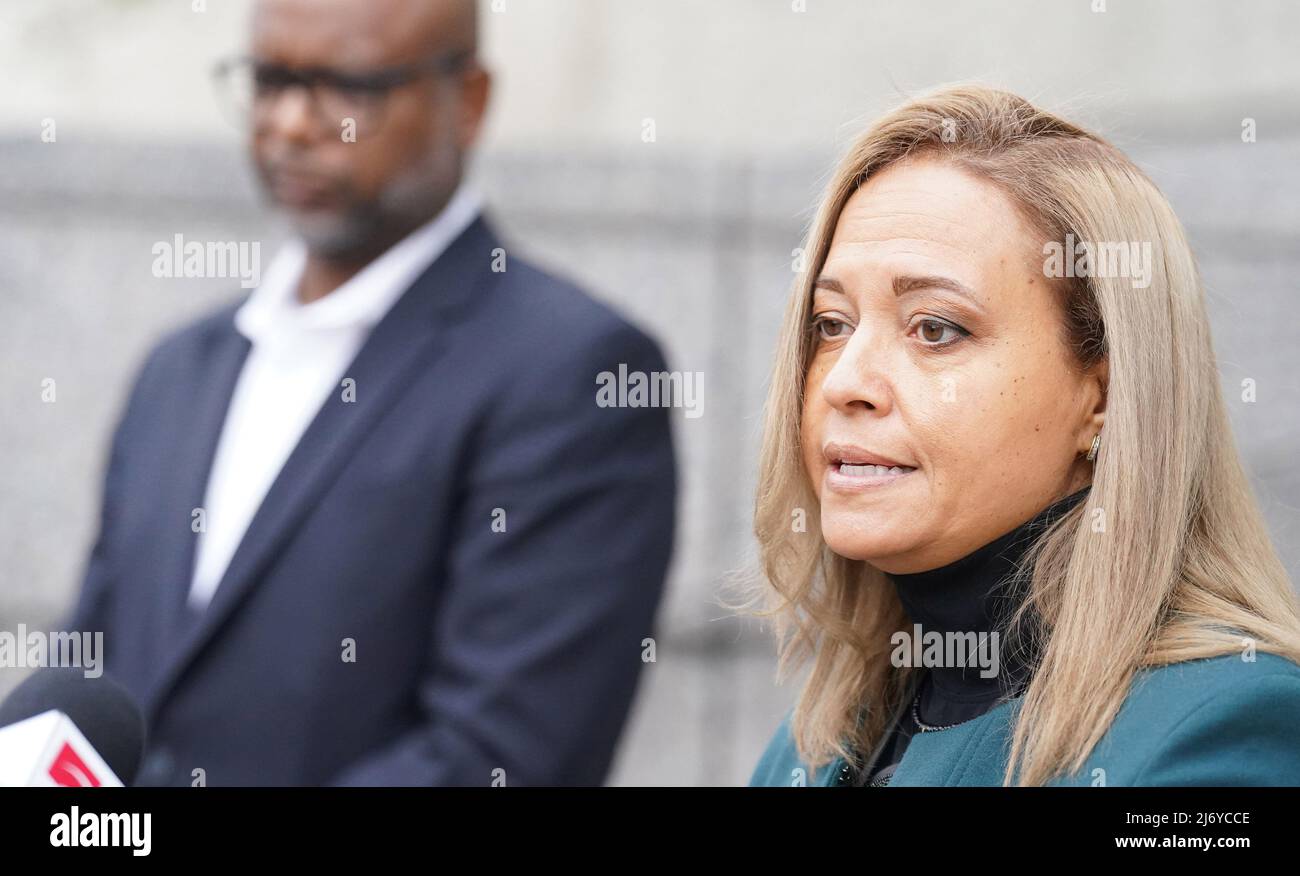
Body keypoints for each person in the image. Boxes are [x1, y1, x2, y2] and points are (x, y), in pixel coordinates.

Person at [62, 0, 676, 786]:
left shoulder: (575, 373)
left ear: (471, 100)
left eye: (347, 87)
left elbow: (504, 757)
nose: (288, 123)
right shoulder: (179, 369)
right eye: (270, 78)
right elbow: (92, 679)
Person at [746, 85, 1300, 787]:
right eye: (832, 324)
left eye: (935, 328)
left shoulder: (1224, 728)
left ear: (1101, 397)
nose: (842, 382)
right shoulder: (814, 743)